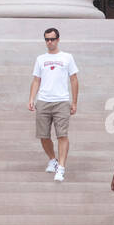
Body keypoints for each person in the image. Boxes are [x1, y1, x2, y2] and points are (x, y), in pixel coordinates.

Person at [28, 27, 79, 182]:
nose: (49, 42)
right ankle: (53, 159)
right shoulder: (40, 59)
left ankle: (61, 167)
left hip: (61, 100)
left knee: (62, 135)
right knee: (43, 136)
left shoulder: (67, 57)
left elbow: (74, 79)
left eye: (52, 39)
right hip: (43, 100)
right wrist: (31, 98)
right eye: (47, 39)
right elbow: (36, 79)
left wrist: (74, 101)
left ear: (58, 39)